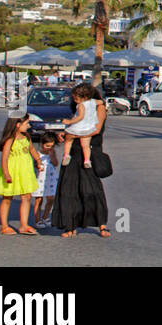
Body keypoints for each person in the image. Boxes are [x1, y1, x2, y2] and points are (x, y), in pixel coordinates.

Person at [53, 84, 110, 239]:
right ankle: (69, 225)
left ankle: (102, 225)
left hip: (90, 151)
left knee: (91, 189)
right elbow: (76, 124)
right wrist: (63, 134)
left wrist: (70, 135)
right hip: (73, 153)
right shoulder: (79, 107)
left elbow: (96, 129)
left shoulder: (99, 108)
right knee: (69, 188)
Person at [0, 111, 43, 235]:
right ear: (18, 124)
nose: (28, 125)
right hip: (12, 171)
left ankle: (24, 225)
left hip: (25, 171)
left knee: (26, 197)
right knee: (7, 198)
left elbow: (32, 149)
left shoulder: (26, 137)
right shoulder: (10, 140)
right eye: (27, 123)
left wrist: (38, 160)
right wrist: (6, 173)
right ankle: (4, 226)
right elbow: (5, 158)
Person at [61, 84, 99, 169]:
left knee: (68, 140)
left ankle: (66, 155)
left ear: (84, 97)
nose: (74, 101)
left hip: (77, 127)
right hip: (89, 128)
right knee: (86, 145)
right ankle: (87, 160)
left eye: (76, 99)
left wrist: (69, 121)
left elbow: (80, 117)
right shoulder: (93, 102)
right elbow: (100, 102)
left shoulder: (81, 105)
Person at [32, 132, 60, 228]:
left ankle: (45, 217)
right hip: (39, 179)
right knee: (39, 200)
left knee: (50, 198)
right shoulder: (37, 154)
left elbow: (56, 163)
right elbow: (34, 165)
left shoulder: (52, 152)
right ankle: (37, 220)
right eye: (47, 146)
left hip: (50, 179)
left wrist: (52, 155)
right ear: (42, 143)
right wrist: (38, 166)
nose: (49, 148)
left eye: (52, 146)